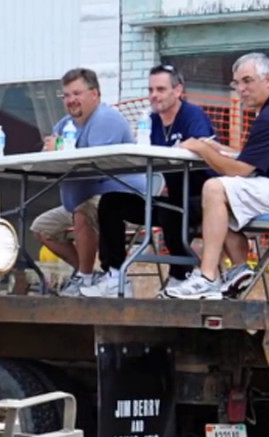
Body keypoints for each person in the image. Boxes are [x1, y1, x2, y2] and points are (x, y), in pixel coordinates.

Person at [165, 52, 269, 300]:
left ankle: (207, 277)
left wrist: (202, 149)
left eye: (247, 81)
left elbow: (241, 169)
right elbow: (250, 159)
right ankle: (239, 271)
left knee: (214, 189)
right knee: (218, 204)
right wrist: (218, 149)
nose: (241, 89)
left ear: (268, 80)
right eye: (236, 83)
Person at [82, 64, 218, 297]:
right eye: (151, 90)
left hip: (202, 199)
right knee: (111, 202)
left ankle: (181, 275)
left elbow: (205, 149)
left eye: (161, 89)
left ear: (178, 90)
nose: (154, 95)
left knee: (170, 209)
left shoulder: (192, 115)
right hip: (168, 197)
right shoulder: (151, 121)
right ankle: (115, 275)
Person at [30, 67, 150, 296]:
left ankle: (84, 279)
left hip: (120, 199)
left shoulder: (106, 119)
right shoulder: (64, 125)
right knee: (42, 228)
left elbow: (94, 166)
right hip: (80, 201)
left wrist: (59, 153)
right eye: (66, 95)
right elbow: (53, 160)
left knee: (83, 211)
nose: (71, 100)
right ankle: (89, 274)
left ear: (94, 94)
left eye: (77, 93)